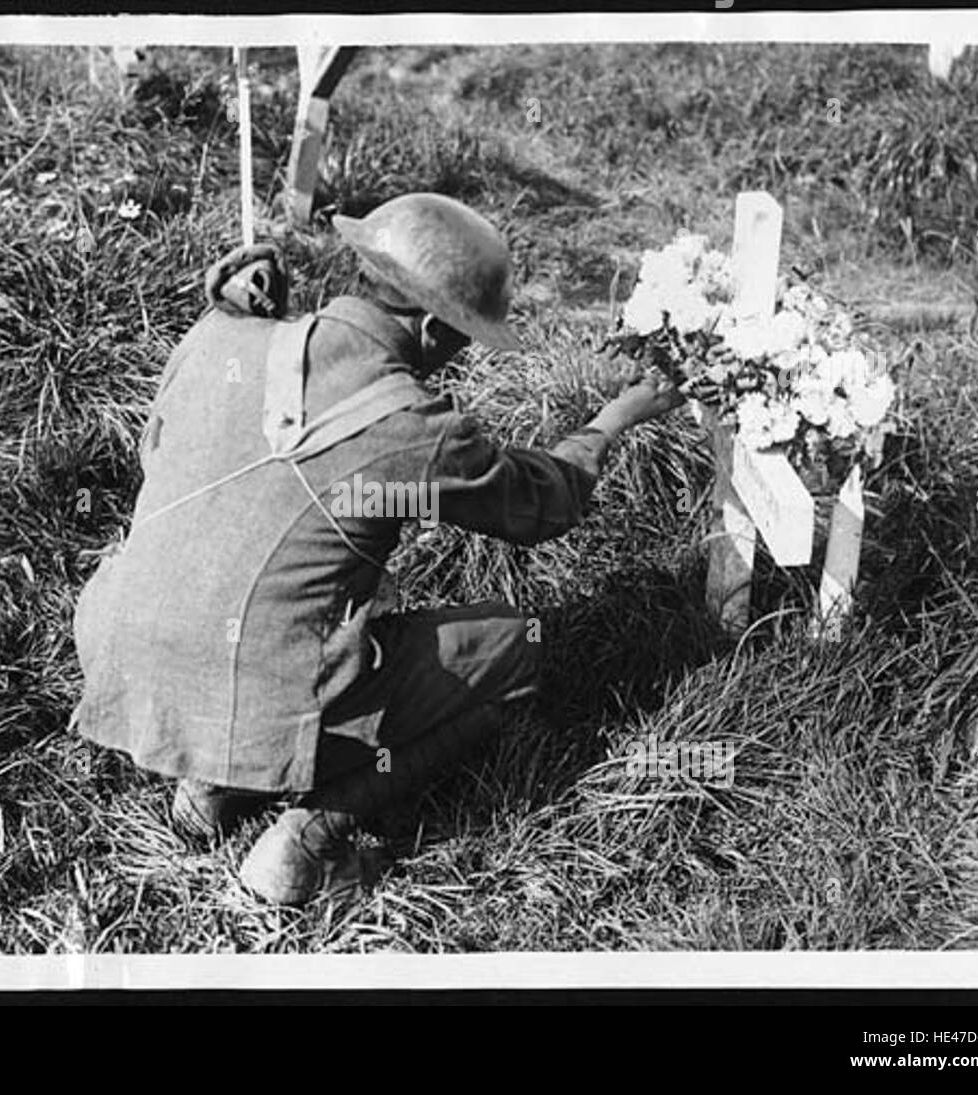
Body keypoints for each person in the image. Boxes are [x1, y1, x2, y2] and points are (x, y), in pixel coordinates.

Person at [71, 193, 685, 906]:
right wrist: (620, 415)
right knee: (514, 647)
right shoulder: (416, 426)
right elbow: (544, 505)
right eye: (466, 334)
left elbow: (163, 456)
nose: (466, 350)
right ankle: (309, 841)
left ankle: (210, 784)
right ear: (430, 327)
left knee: (287, 580)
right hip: (246, 682)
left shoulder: (222, 332)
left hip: (122, 651)